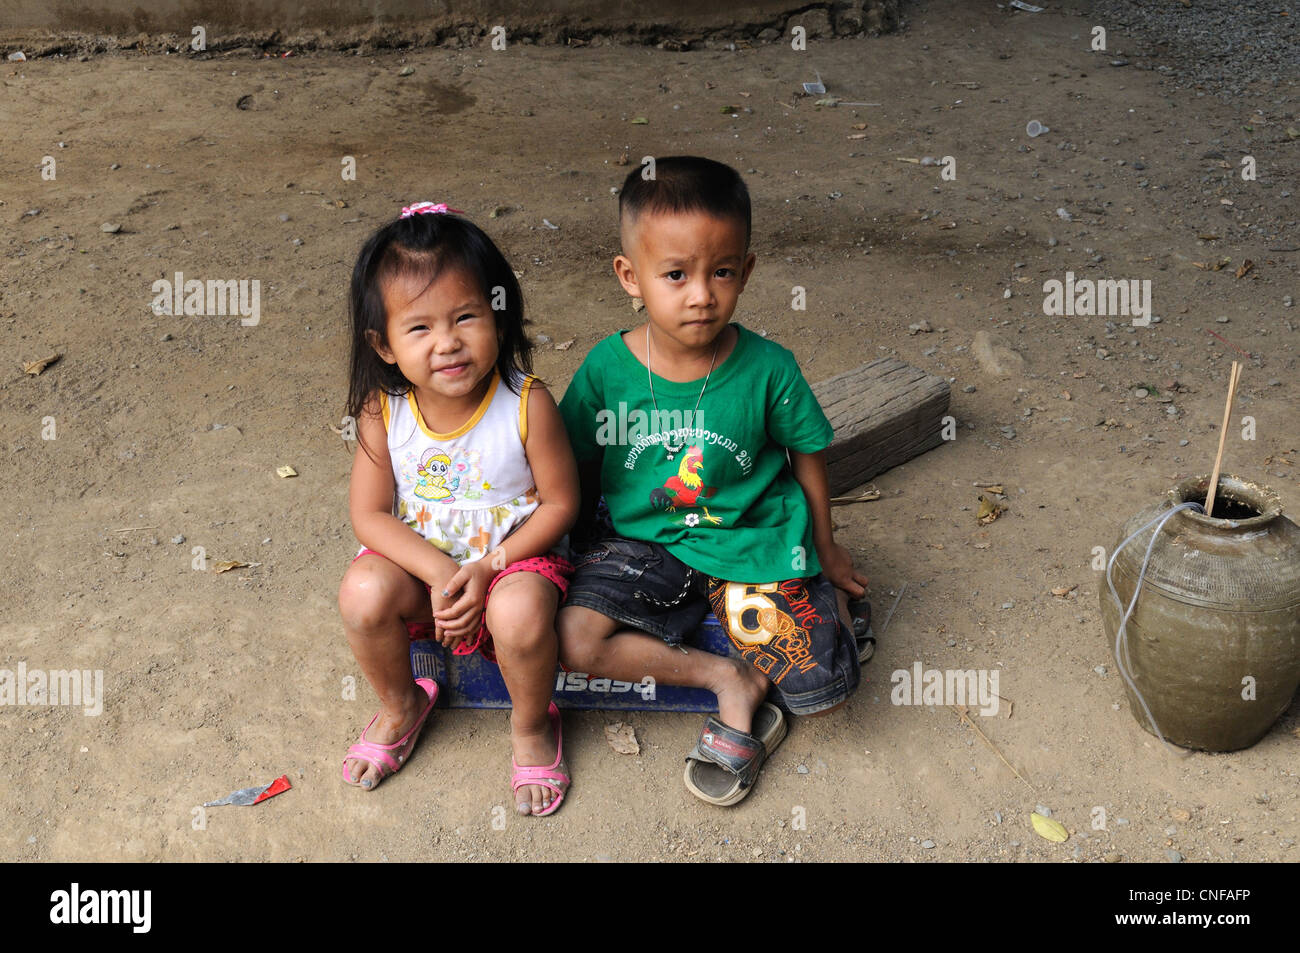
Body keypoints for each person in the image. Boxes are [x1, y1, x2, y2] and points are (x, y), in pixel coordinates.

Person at [557, 158, 870, 806]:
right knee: (573, 638)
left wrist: (826, 546)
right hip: (643, 541)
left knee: (823, 690)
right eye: (675, 274)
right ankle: (728, 678)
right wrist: (571, 541)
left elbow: (808, 451)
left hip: (749, 537)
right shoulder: (606, 371)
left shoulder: (768, 368)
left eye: (721, 271)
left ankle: (821, 600)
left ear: (746, 271)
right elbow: (578, 459)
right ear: (630, 277)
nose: (701, 294)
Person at [338, 201, 579, 816]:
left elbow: (560, 504)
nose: (448, 342)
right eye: (418, 328)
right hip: (428, 577)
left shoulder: (526, 403)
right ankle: (402, 705)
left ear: (499, 314)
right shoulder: (382, 410)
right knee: (362, 593)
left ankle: (531, 724)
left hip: (514, 566)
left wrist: (489, 567)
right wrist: (444, 576)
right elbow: (369, 516)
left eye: (466, 316)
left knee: (520, 615)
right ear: (384, 344)